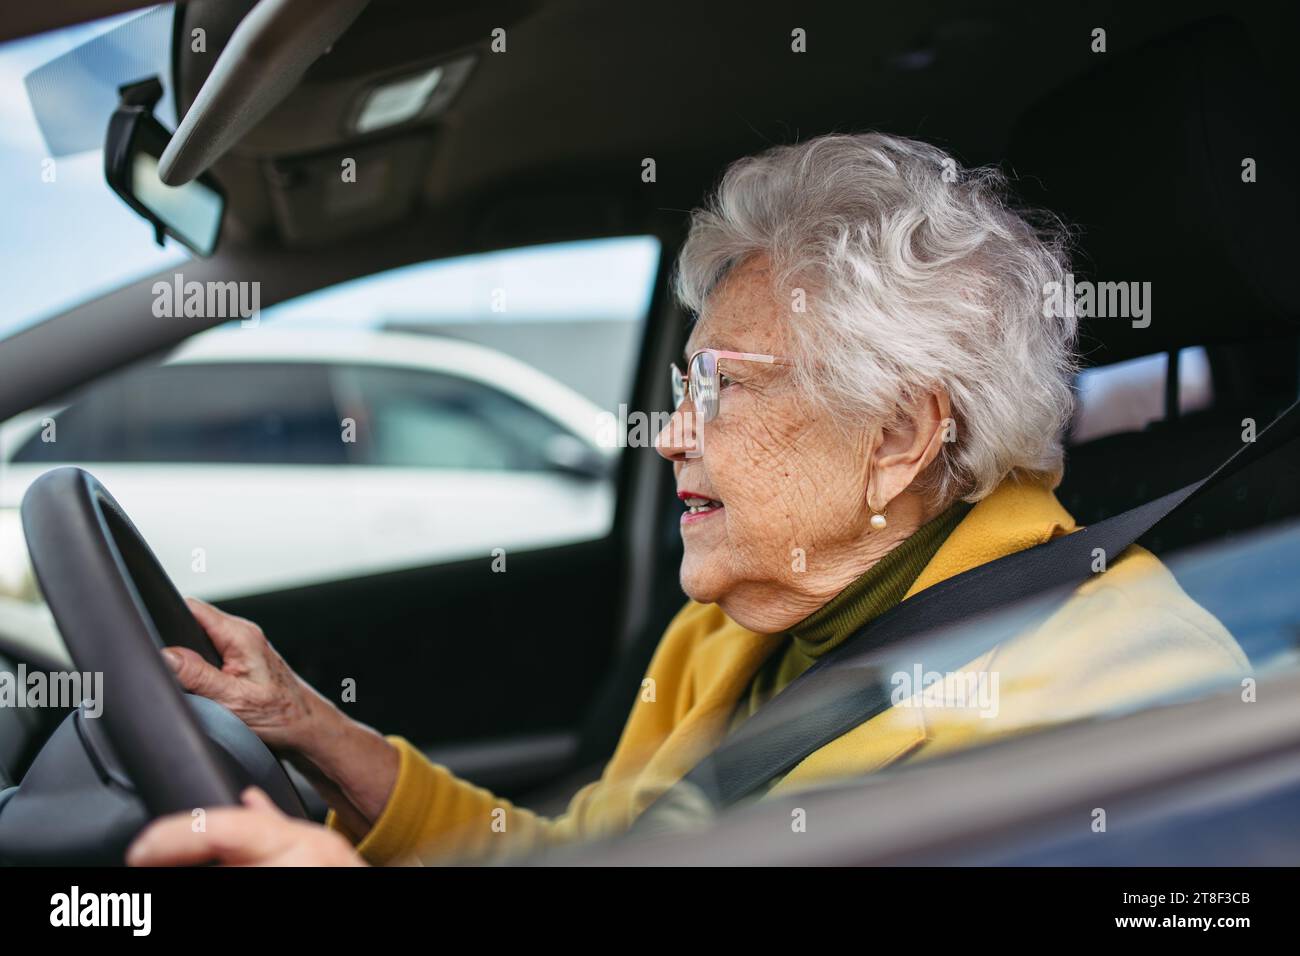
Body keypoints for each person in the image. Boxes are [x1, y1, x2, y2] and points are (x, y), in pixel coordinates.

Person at [127, 133, 1248, 867]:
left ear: (898, 436)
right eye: (680, 387)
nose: (668, 435)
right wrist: (314, 732)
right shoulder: (732, 626)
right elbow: (577, 855)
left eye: (720, 389)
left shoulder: (1119, 697)